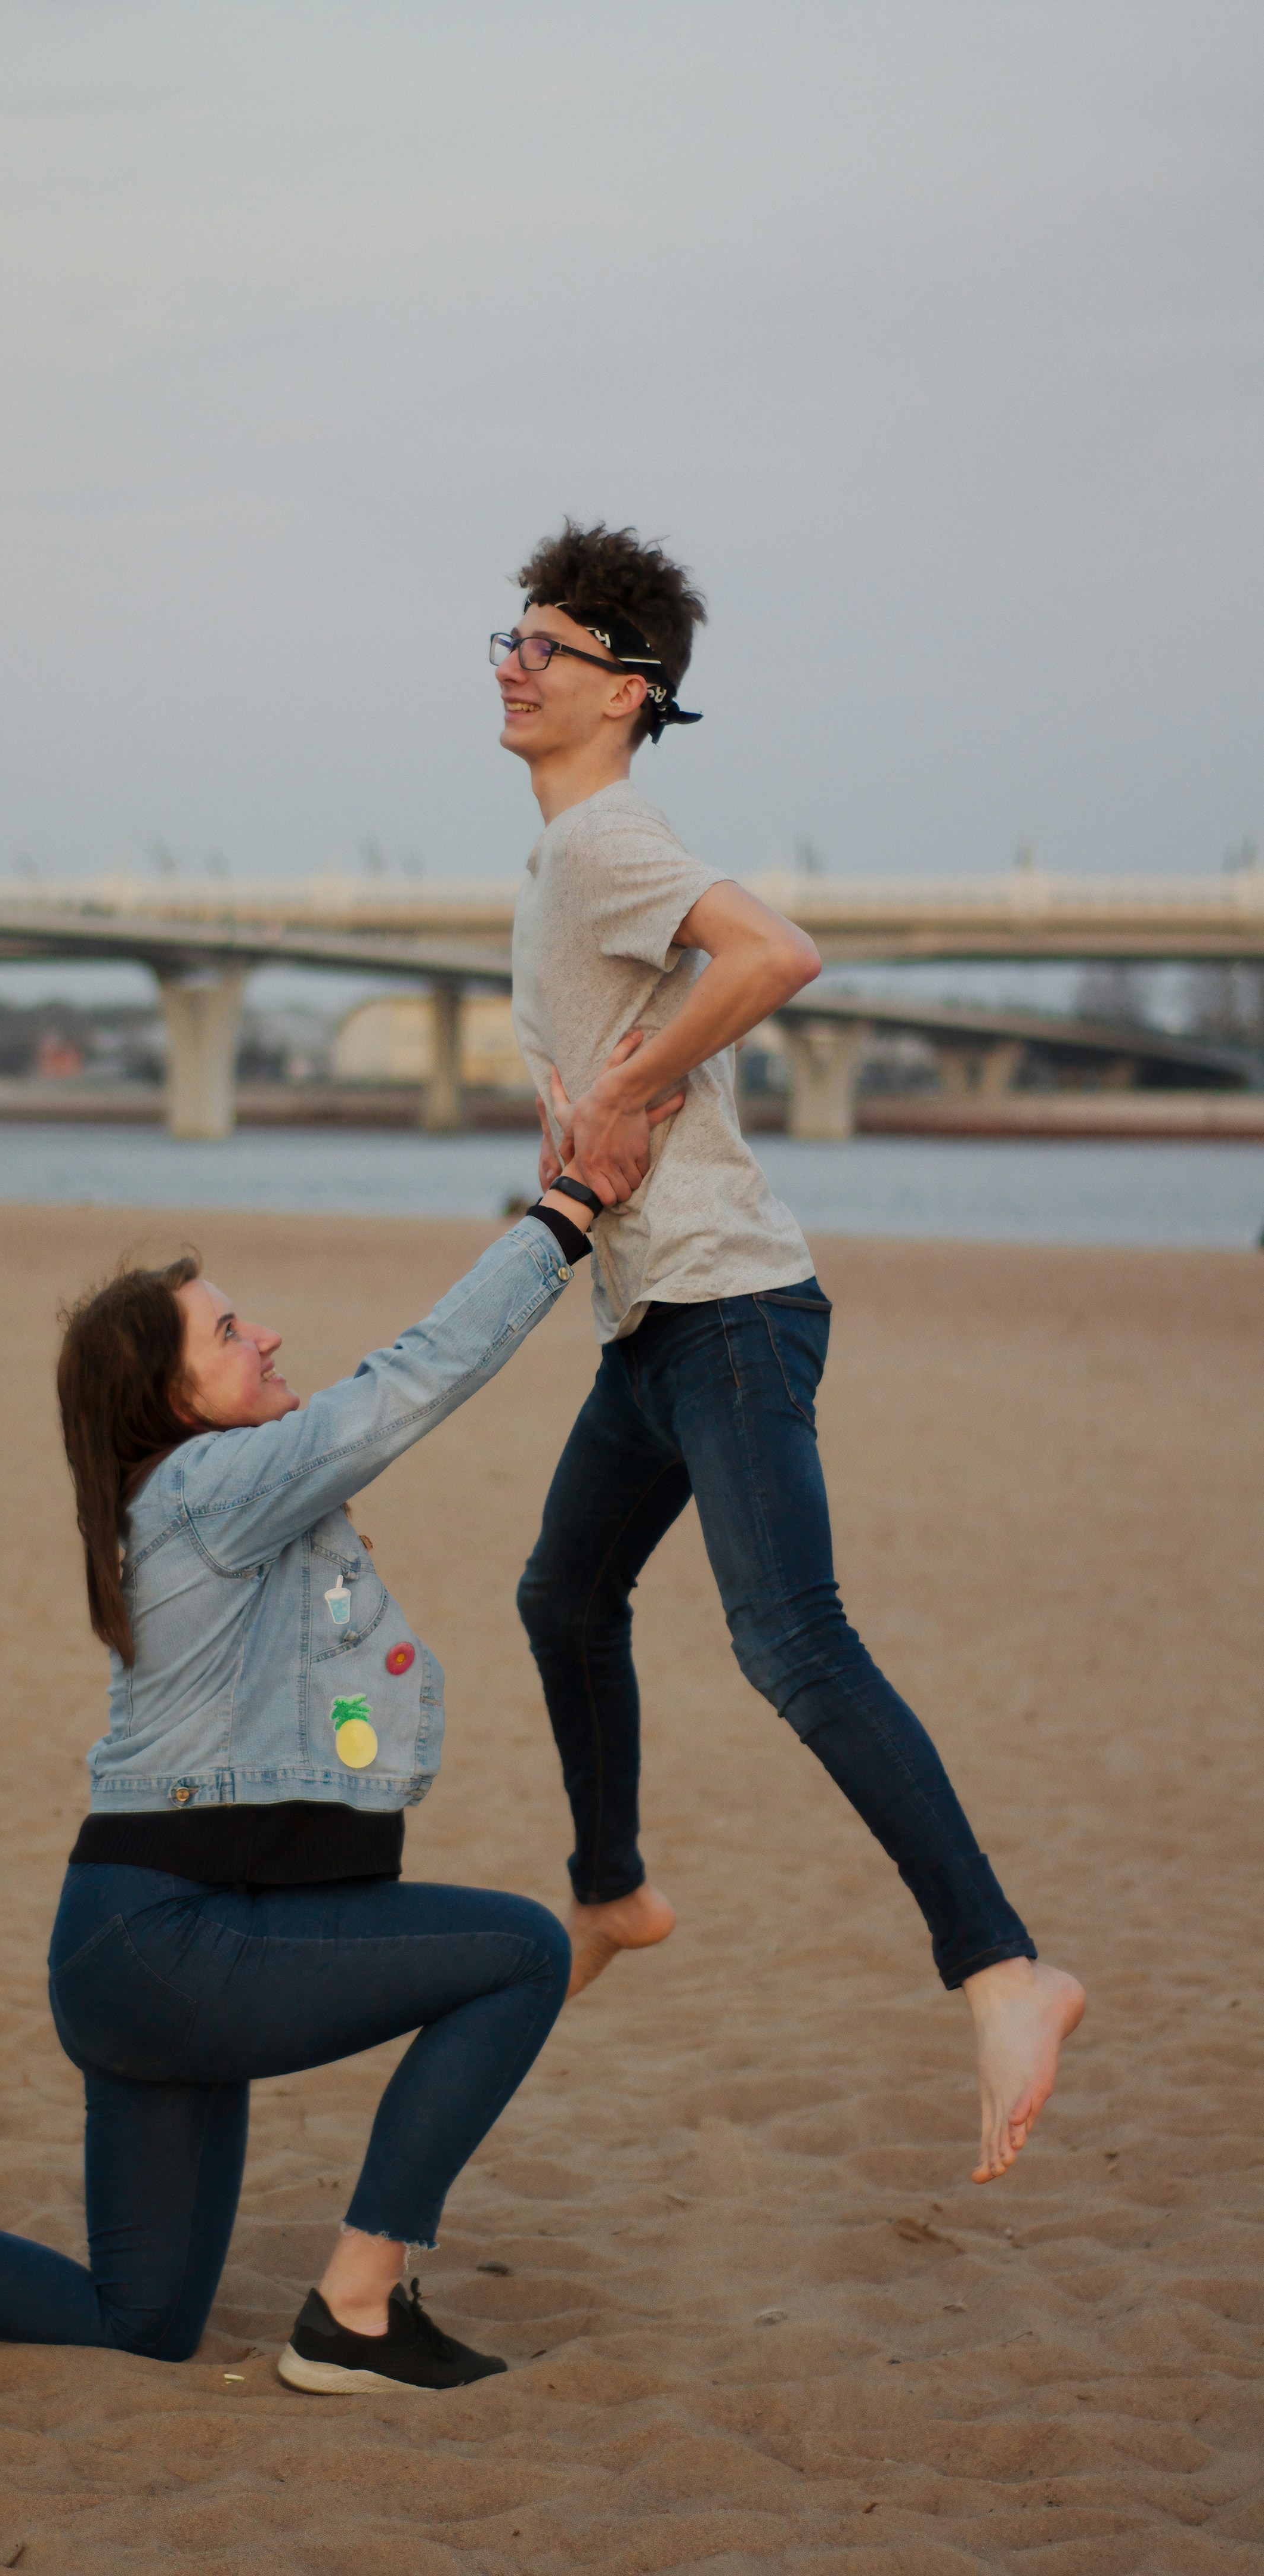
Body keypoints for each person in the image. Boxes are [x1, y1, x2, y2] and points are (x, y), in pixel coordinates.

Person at [0, 1083, 681, 2394]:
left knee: (138, 2322)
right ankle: (358, 2310)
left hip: (134, 1951)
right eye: (228, 1331)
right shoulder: (207, 1489)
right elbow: (408, 1384)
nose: (268, 1335)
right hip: (171, 1943)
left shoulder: (196, 1506)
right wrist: (569, 1210)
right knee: (522, 1953)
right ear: (172, 1398)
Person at [495, 518, 1084, 2188]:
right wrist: (584, 1129)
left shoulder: (606, 839)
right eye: (509, 637)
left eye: (547, 646)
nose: (513, 666)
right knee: (562, 1596)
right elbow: (645, 1042)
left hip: (730, 1311)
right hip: (657, 1317)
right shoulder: (564, 860)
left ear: (628, 689)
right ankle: (612, 1889)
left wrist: (623, 1088)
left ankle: (1005, 1970)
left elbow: (778, 956)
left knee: (795, 1645)